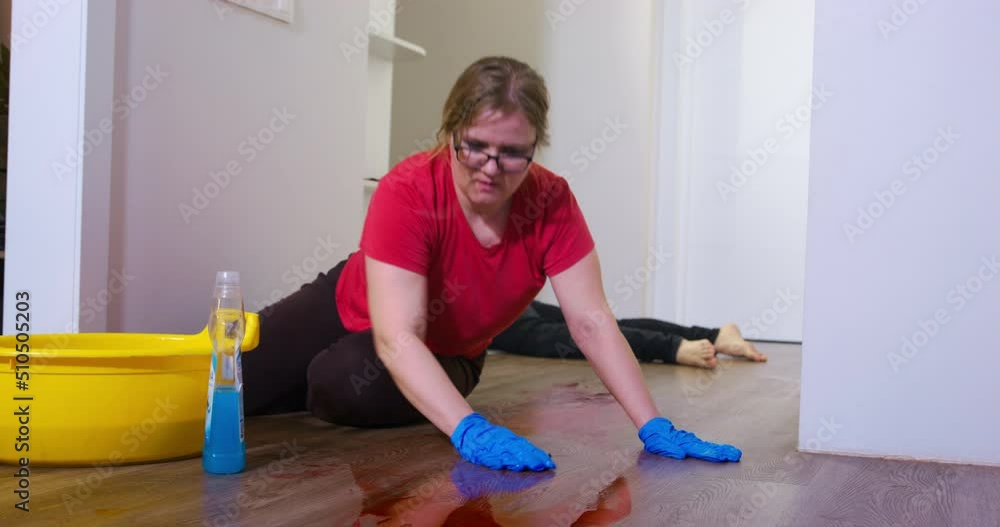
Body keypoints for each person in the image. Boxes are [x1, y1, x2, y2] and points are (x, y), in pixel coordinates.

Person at [242, 56, 742, 472]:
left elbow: (591, 321)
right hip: (345, 304)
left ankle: (318, 383)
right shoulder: (408, 190)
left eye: (512, 154)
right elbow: (399, 335)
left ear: (534, 147)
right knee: (230, 381)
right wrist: (470, 428)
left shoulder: (551, 202)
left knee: (340, 381)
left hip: (447, 353)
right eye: (475, 147)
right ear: (450, 133)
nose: (490, 168)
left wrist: (651, 424)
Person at [489, 300, 768, 369]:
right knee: (602, 325)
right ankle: (714, 335)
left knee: (588, 332)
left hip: (491, 312)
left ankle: (675, 346)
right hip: (499, 301)